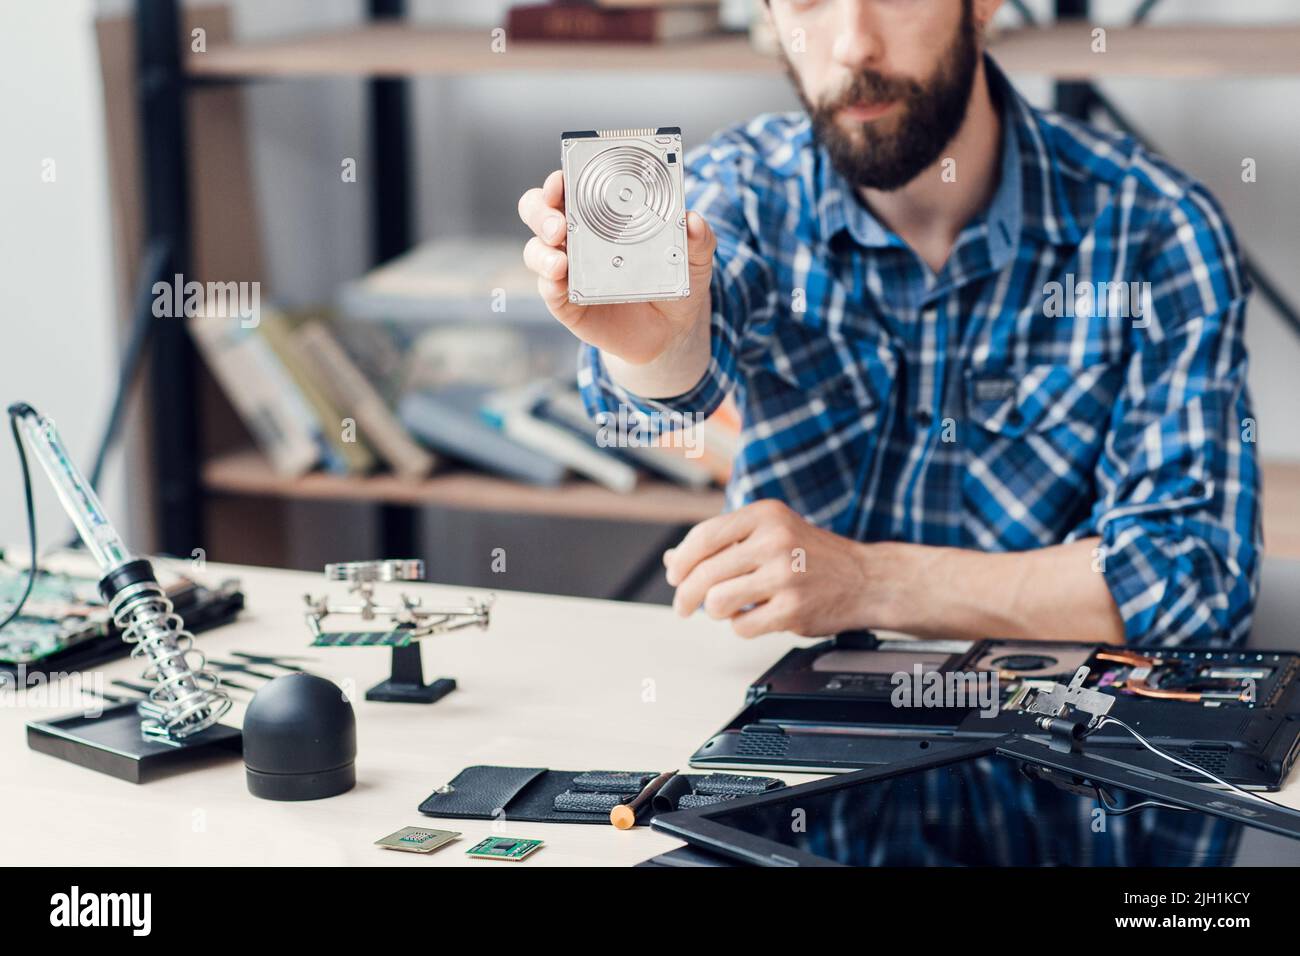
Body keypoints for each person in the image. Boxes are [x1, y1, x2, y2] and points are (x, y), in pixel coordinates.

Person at [516, 0, 1259, 647]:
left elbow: (1195, 584)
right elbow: (657, 384)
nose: (852, 45)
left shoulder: (1155, 227)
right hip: (797, 754)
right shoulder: (741, 191)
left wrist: (869, 582)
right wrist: (655, 350)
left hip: (1071, 757)